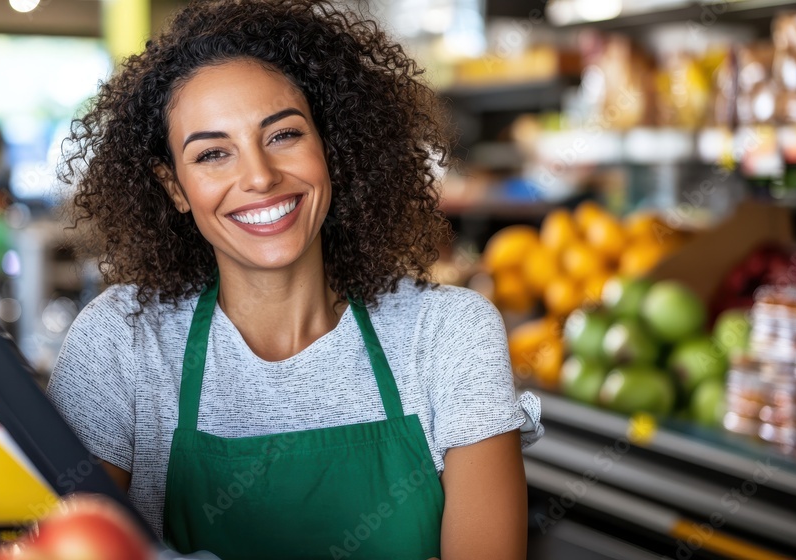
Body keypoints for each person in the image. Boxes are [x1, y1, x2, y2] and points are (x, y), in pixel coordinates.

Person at [47, 0, 543, 558]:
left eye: (283, 135)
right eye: (213, 153)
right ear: (175, 189)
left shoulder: (448, 335)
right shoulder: (122, 342)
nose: (259, 176)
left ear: (330, 147)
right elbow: (68, 544)